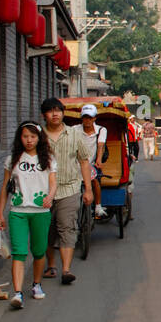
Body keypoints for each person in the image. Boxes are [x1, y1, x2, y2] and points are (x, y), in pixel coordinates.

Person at [0, 122, 57, 308]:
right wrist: (0, 213)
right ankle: (17, 293)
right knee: (19, 252)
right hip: (18, 212)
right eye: (25, 136)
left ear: (39, 138)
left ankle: (36, 285)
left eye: (32, 137)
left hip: (41, 212)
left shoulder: (48, 159)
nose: (29, 140)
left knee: (39, 251)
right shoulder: (12, 160)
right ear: (19, 138)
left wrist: (50, 196)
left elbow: (53, 182)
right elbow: (5, 188)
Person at [40, 97, 92, 285]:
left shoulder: (74, 134)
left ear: (63, 113)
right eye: (50, 111)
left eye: (58, 110)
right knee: (47, 230)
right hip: (43, 192)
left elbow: (84, 161)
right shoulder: (38, 135)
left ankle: (66, 269)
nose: (55, 114)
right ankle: (51, 265)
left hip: (69, 188)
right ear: (44, 115)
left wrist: (88, 189)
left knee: (67, 227)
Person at [79, 104, 108, 221]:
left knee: (95, 179)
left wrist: (99, 160)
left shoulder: (101, 130)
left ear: (95, 118)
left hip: (92, 163)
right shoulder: (75, 130)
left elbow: (100, 145)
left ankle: (98, 206)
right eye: (85, 117)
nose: (87, 120)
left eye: (90, 118)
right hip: (77, 163)